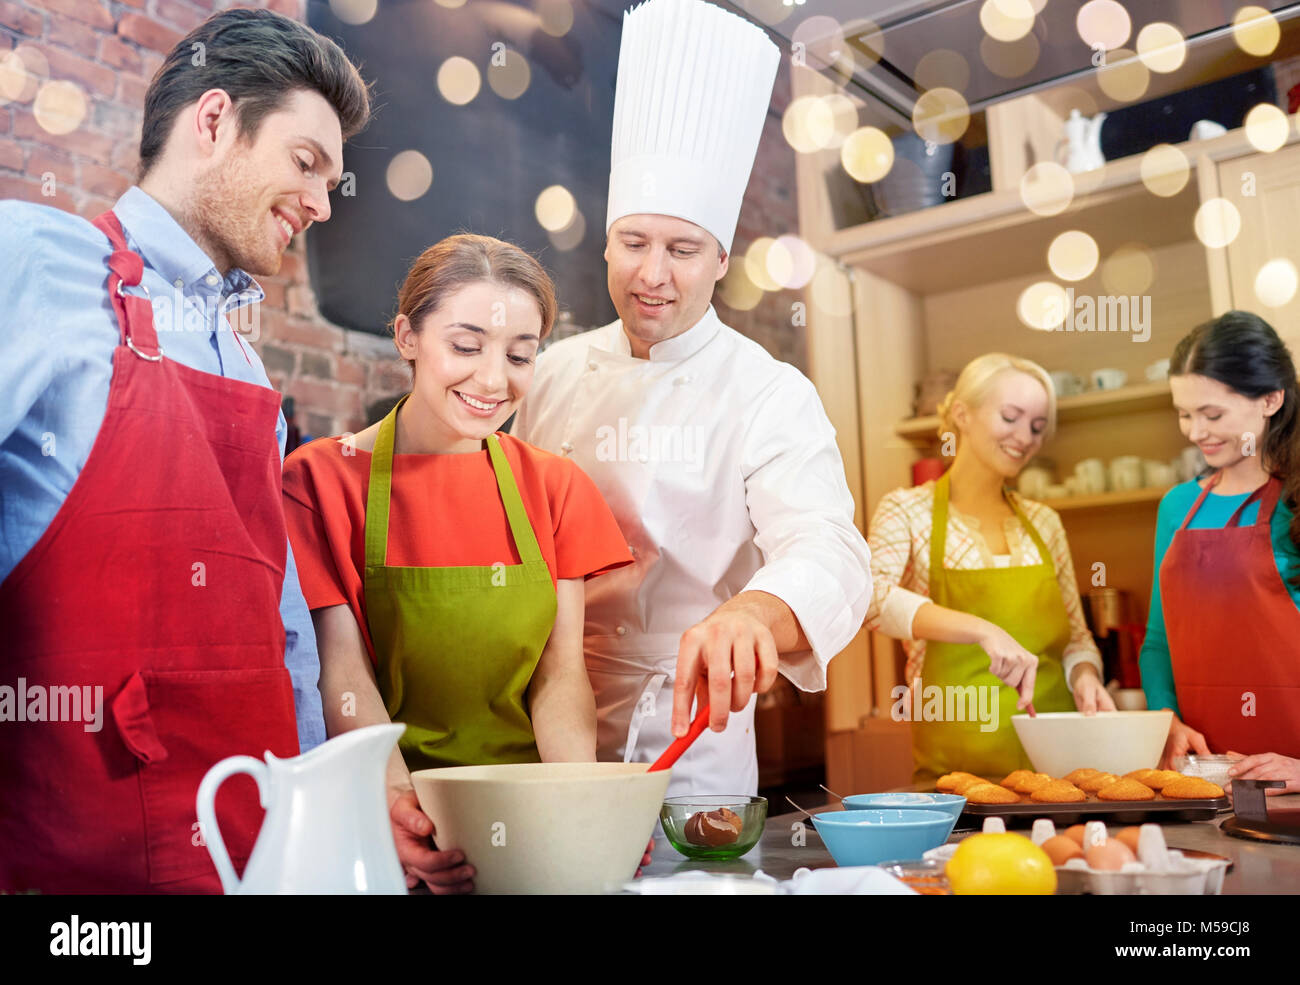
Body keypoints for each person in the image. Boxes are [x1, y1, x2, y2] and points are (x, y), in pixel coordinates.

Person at [0, 9, 369, 892]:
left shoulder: (240, 355)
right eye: (306, 163)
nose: (322, 204)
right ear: (213, 123)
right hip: (80, 884)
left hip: (252, 857)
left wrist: (316, 814)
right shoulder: (38, 261)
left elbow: (284, 635)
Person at [512, 0, 872, 798]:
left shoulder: (768, 391)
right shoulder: (547, 373)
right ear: (606, 243)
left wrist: (751, 612)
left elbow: (832, 550)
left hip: (691, 742)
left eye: (681, 250)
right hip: (542, 726)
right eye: (634, 243)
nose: (652, 274)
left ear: (719, 261)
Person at [283, 235, 634, 892]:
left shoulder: (555, 487)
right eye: (466, 346)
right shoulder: (321, 480)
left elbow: (559, 677)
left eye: (520, 354)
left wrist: (578, 804)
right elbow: (342, 673)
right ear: (408, 336)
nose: (493, 380)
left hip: (528, 821)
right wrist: (397, 813)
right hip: (388, 821)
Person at [866, 354, 1115, 784]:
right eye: (1011, 417)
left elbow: (1076, 638)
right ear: (961, 413)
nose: (1026, 437)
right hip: (957, 779)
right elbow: (870, 600)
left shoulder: (1044, 523)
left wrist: (1087, 675)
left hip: (1057, 775)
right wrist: (982, 629)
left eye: (1037, 426)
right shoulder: (906, 511)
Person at [1141, 311, 1300, 793]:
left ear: (1271, 399)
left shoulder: (1295, 503)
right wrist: (1165, 719)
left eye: (1212, 415)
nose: (1194, 432)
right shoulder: (1178, 507)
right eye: (1185, 414)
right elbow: (1157, 642)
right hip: (1206, 785)